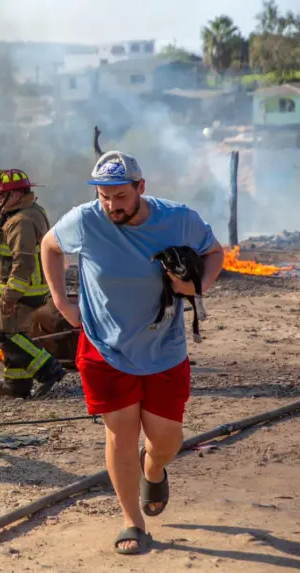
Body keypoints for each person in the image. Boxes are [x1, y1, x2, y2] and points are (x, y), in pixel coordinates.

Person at [40, 151, 224, 554]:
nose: (112, 206)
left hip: (164, 349)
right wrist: (62, 303)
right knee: (120, 433)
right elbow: (49, 246)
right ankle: (132, 523)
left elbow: (215, 252)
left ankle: (153, 468)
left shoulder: (179, 219)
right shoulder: (85, 220)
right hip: (104, 347)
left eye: (120, 196)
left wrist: (197, 288)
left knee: (166, 439)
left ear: (141, 187)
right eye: (104, 197)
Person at [0, 168, 66, 399]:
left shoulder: (21, 221)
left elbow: (23, 261)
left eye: (2, 195)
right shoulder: (31, 211)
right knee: (16, 335)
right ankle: (16, 385)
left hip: (21, 292)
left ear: (16, 194)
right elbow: (11, 237)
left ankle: (49, 369)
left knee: (5, 335)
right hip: (29, 290)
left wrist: (10, 296)